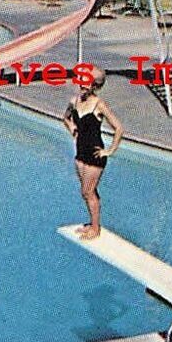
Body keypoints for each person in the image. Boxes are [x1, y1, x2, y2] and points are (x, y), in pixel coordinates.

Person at [62, 69, 123, 240]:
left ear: (94, 85)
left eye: (86, 82)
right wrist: (72, 128)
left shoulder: (99, 104)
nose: (82, 84)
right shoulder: (74, 102)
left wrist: (110, 150)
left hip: (95, 156)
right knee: (89, 192)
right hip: (80, 153)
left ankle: (95, 229)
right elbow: (65, 118)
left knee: (87, 192)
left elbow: (119, 128)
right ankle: (93, 222)